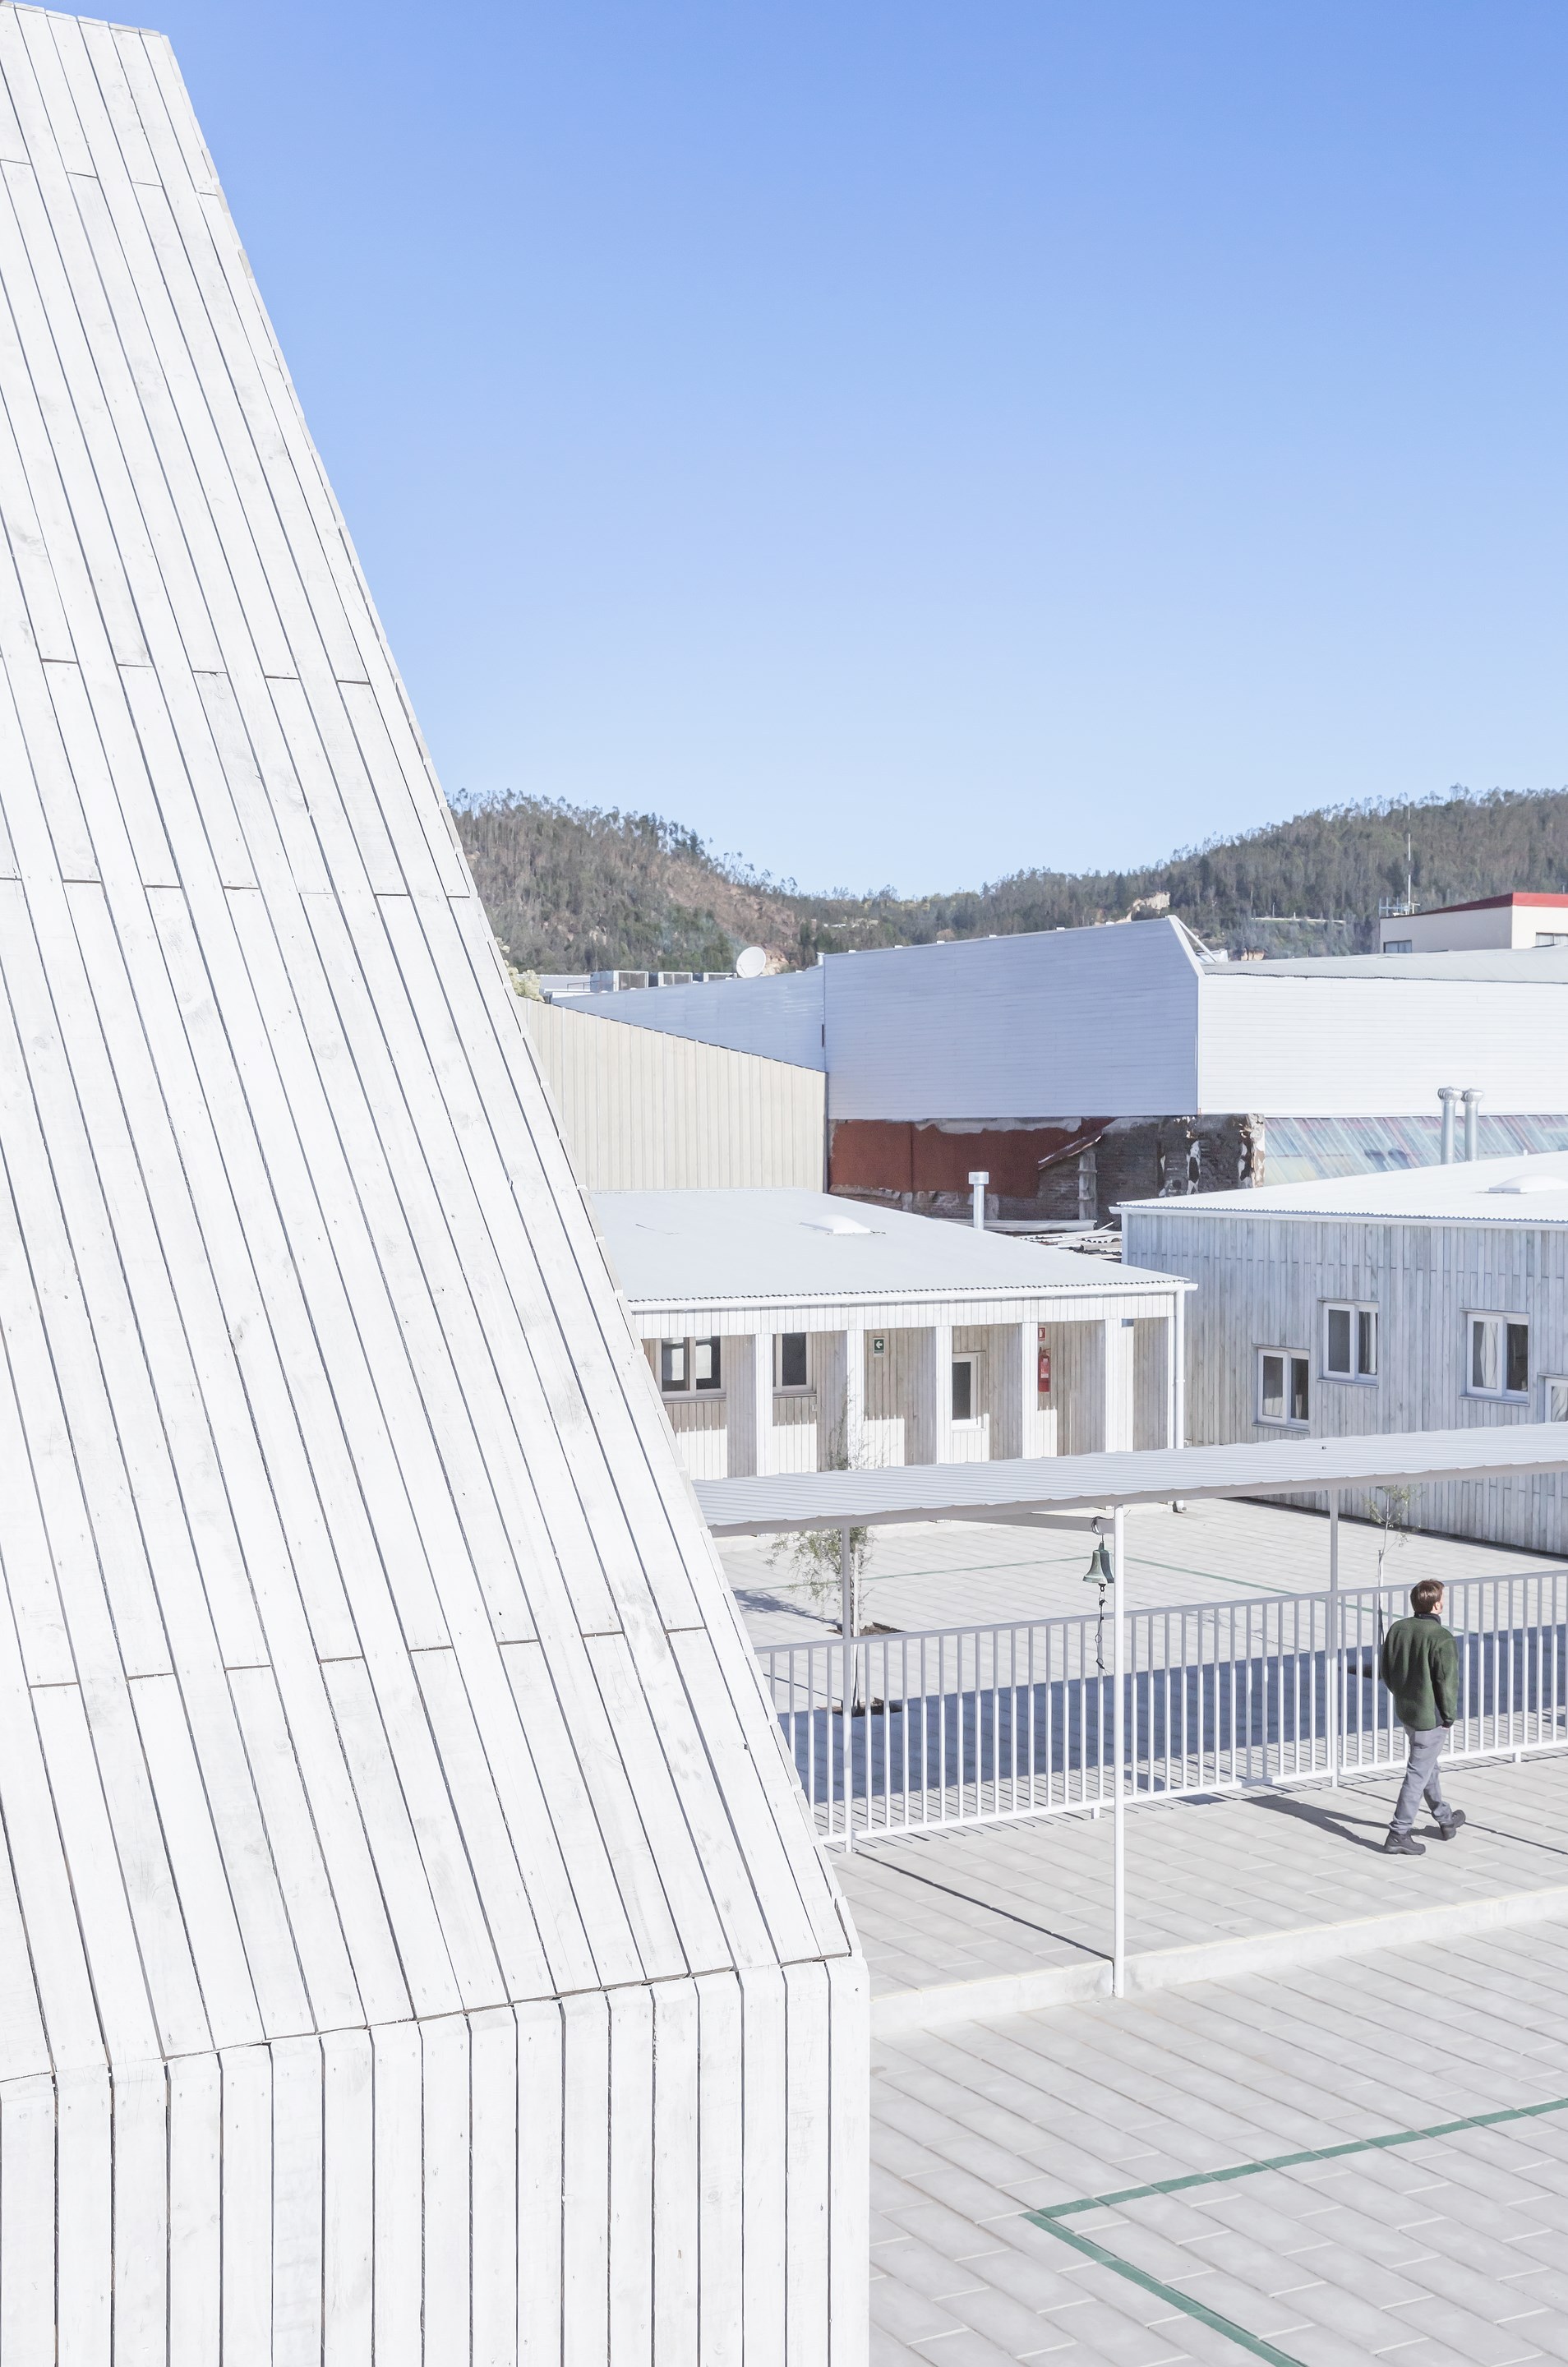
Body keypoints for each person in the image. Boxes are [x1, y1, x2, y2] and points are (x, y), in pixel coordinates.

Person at [1378, 1578, 1466, 1856]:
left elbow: (1387, 1672)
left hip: (1408, 1712)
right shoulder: (1441, 1638)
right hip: (1432, 1717)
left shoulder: (1398, 1629)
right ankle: (1399, 1832)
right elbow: (1446, 1682)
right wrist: (1449, 1716)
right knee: (1418, 1772)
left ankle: (1444, 1817)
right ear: (1437, 1604)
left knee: (1427, 1766)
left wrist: (1404, 1697)